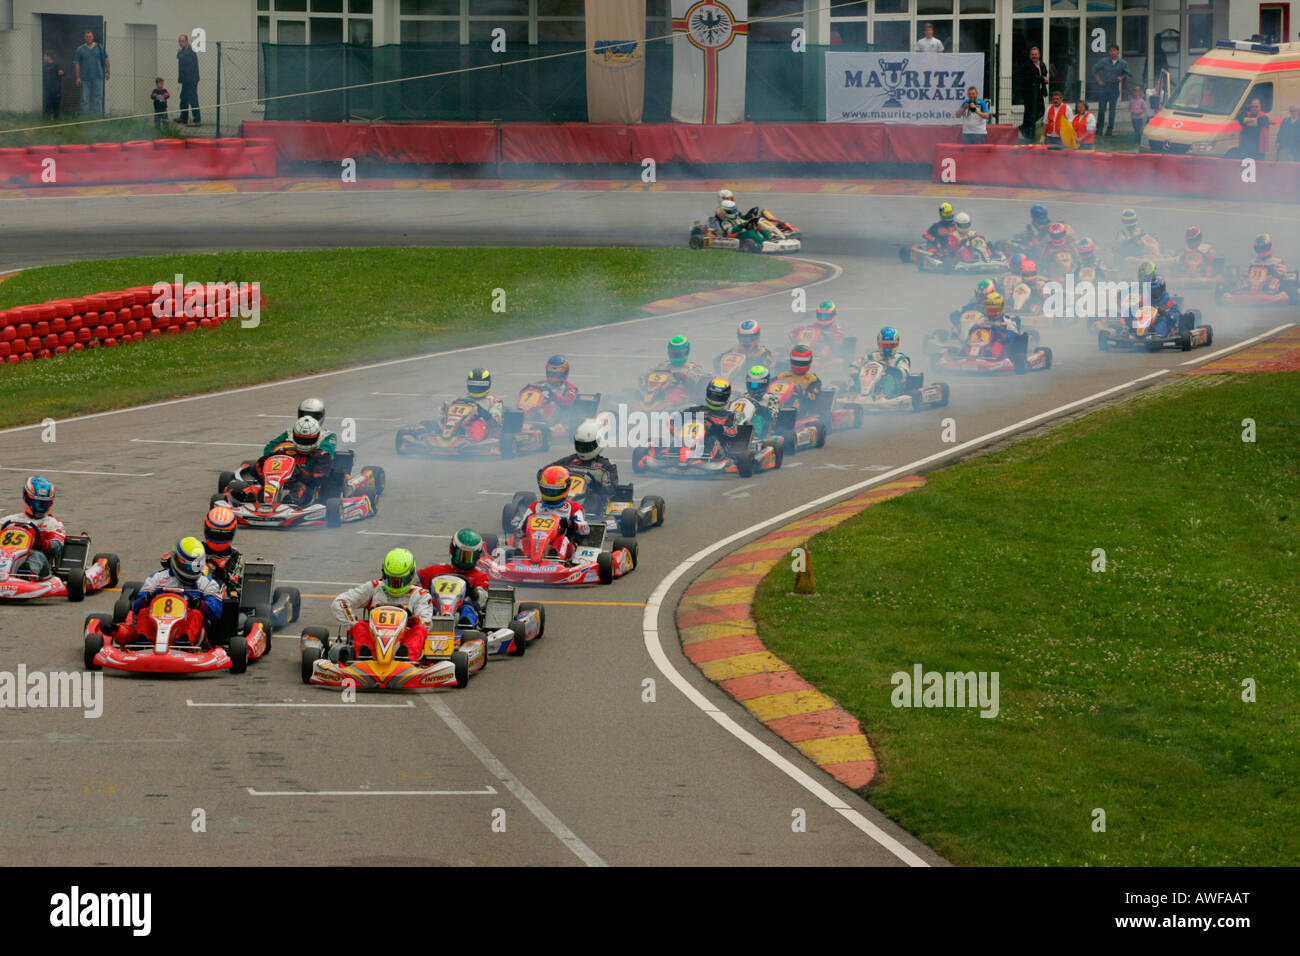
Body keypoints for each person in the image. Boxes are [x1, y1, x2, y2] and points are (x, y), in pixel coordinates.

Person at [112, 538, 223, 647]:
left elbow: (216, 612)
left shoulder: (207, 583)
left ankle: (183, 643)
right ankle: (144, 643)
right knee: (144, 612)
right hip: (157, 624)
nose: (190, 571)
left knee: (196, 614)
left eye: (195, 567)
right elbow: (137, 606)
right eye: (186, 566)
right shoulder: (157, 578)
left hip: (187, 627)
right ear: (175, 560)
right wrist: (147, 600)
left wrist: (200, 605)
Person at [332, 549, 433, 663]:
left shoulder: (420, 595)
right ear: (384, 574)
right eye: (391, 580)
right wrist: (351, 624)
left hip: (403, 639)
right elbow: (340, 602)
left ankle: (406, 659)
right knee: (360, 626)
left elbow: (426, 623)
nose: (395, 585)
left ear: (410, 576)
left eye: (400, 581)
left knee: (420, 630)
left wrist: (414, 620)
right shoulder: (374, 588)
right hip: (374, 638)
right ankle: (366, 658)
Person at [251, 416, 333, 506]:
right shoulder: (287, 450)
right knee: (260, 484)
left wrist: (300, 474)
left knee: (298, 489)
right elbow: (264, 462)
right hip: (277, 483)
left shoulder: (321, 456)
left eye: (307, 439)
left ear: (316, 438)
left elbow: (318, 479)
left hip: (306, 487)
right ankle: (256, 500)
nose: (303, 442)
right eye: (300, 438)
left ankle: (289, 504)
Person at [417, 529, 492, 627]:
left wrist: (473, 592)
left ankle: (466, 624)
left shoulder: (480, 577)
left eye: (469, 556)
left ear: (477, 556)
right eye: (461, 555)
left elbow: (483, 600)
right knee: (427, 605)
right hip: (436, 609)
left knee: (467, 607)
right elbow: (414, 582)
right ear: (452, 550)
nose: (464, 560)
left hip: (462, 613)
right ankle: (425, 624)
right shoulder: (436, 570)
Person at [513, 466, 591, 561]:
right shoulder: (535, 507)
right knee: (525, 540)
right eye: (547, 490)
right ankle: (521, 560)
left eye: (554, 491)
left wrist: (571, 524)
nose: (550, 494)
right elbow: (518, 532)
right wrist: (524, 526)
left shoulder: (573, 508)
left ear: (565, 488)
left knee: (562, 540)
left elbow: (586, 529)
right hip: (535, 543)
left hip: (563, 546)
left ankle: (554, 559)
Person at [0, 477, 65, 579]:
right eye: (36, 503)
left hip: (41, 564)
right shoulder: (8, 520)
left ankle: (28, 575)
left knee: (36, 556)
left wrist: (39, 543)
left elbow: (57, 546)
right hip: (7, 557)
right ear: (26, 498)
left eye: (43, 504)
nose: (39, 507)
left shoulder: (52, 523)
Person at [543, 419, 621, 494]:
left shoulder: (606, 466)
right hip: (566, 500)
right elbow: (544, 472)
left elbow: (612, 489)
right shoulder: (569, 460)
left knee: (594, 498)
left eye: (587, 446)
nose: (583, 449)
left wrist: (598, 486)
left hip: (593, 502)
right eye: (580, 445)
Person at [263, 397, 337, 457]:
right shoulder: (290, 432)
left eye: (313, 416)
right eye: (304, 414)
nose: (308, 419)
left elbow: (326, 453)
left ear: (321, 416)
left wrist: (297, 452)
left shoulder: (328, 435)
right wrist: (277, 453)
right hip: (286, 466)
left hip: (311, 469)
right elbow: (269, 448)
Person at [851, 328, 912, 399]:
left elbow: (902, 374)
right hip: (871, 382)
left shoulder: (900, 359)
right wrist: (856, 376)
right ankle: (856, 395)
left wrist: (888, 369)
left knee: (889, 379)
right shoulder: (872, 356)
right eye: (884, 345)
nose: (887, 348)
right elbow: (853, 366)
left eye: (890, 345)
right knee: (862, 378)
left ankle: (884, 397)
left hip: (894, 387)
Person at [1091, 44, 1128, 138]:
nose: (1113, 52)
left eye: (1114, 50)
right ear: (1109, 52)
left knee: (1112, 110)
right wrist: (1099, 80)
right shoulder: (1104, 61)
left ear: (1118, 51)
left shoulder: (1122, 63)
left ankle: (1109, 130)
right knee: (1101, 109)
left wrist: (1122, 77)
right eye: (1111, 51)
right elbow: (1094, 69)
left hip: (1114, 87)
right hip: (1103, 88)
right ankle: (1099, 130)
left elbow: (1127, 73)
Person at [202, 505, 242, 591]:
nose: (218, 537)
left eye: (223, 535)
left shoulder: (234, 555)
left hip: (221, 594)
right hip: (194, 588)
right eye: (215, 534)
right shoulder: (198, 549)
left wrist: (225, 575)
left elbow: (234, 577)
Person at [1016, 46, 1049, 143]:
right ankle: (1024, 131)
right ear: (1030, 56)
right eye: (1032, 54)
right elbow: (1033, 76)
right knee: (1029, 113)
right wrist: (1043, 79)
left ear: (1039, 55)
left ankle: (1032, 130)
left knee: (1041, 111)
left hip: (1039, 93)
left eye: (1036, 54)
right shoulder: (1027, 65)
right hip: (1029, 94)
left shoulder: (1042, 64)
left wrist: (1044, 79)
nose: (1034, 56)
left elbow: (1045, 74)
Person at [73, 30, 109, 117]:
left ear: (93, 37)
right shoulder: (80, 49)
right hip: (85, 78)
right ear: (84, 38)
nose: (88, 38)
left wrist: (108, 72)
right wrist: (78, 77)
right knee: (85, 99)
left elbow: (106, 60)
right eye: (87, 36)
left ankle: (98, 117)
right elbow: (77, 63)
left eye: (90, 36)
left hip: (98, 76)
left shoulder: (100, 48)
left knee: (98, 98)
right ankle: (85, 118)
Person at [177, 34, 201, 126]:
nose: (181, 43)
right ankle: (184, 117)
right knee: (183, 98)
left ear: (187, 42)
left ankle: (197, 120)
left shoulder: (190, 52)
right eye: (179, 41)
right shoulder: (183, 51)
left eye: (182, 41)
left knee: (193, 99)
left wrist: (179, 53)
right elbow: (180, 56)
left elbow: (182, 57)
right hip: (185, 80)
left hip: (191, 80)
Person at [41, 52, 64, 121]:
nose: (44, 58)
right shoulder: (44, 66)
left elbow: (63, 73)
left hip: (56, 89)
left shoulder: (57, 66)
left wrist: (62, 72)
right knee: (47, 103)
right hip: (46, 89)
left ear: (49, 57)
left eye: (45, 56)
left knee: (56, 103)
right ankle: (46, 118)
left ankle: (56, 117)